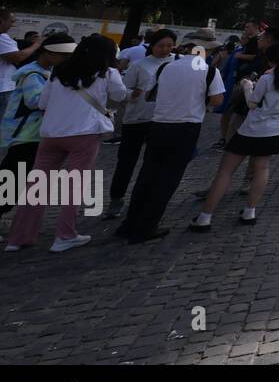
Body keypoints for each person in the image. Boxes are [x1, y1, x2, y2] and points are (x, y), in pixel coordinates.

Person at [5, 34, 126, 252]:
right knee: (74, 186)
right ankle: (65, 235)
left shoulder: (59, 72)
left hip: (51, 134)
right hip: (84, 133)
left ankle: (18, 238)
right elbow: (120, 94)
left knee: (36, 187)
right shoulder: (107, 73)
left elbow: (43, 102)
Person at [115, 38, 225, 243]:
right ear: (207, 50)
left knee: (147, 175)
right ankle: (147, 226)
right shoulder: (209, 71)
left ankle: (130, 223)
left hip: (158, 123)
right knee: (168, 179)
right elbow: (217, 100)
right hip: (186, 126)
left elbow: (151, 95)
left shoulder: (167, 66)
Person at [190, 41, 279, 231]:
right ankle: (250, 211)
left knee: (226, 170)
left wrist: (248, 86)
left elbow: (252, 104)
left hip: (254, 128)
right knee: (262, 169)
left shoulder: (267, 78)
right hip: (277, 129)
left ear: (270, 59)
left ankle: (205, 216)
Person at [0, 33, 76, 217]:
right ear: (48, 53)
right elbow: (35, 101)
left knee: (14, 176)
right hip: (25, 134)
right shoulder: (33, 74)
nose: (66, 60)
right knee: (12, 178)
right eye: (63, 55)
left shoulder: (45, 72)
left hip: (32, 133)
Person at [104, 28, 177, 219]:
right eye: (161, 45)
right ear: (151, 45)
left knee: (154, 162)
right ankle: (116, 198)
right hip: (137, 118)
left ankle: (144, 198)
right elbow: (123, 92)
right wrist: (132, 94)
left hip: (163, 119)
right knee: (127, 161)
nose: (165, 49)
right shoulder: (139, 65)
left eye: (169, 45)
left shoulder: (177, 63)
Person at [0, 9, 43, 120]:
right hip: (3, 88)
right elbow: (17, 57)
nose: (12, 25)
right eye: (11, 21)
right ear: (1, 21)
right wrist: (37, 44)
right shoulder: (1, 38)